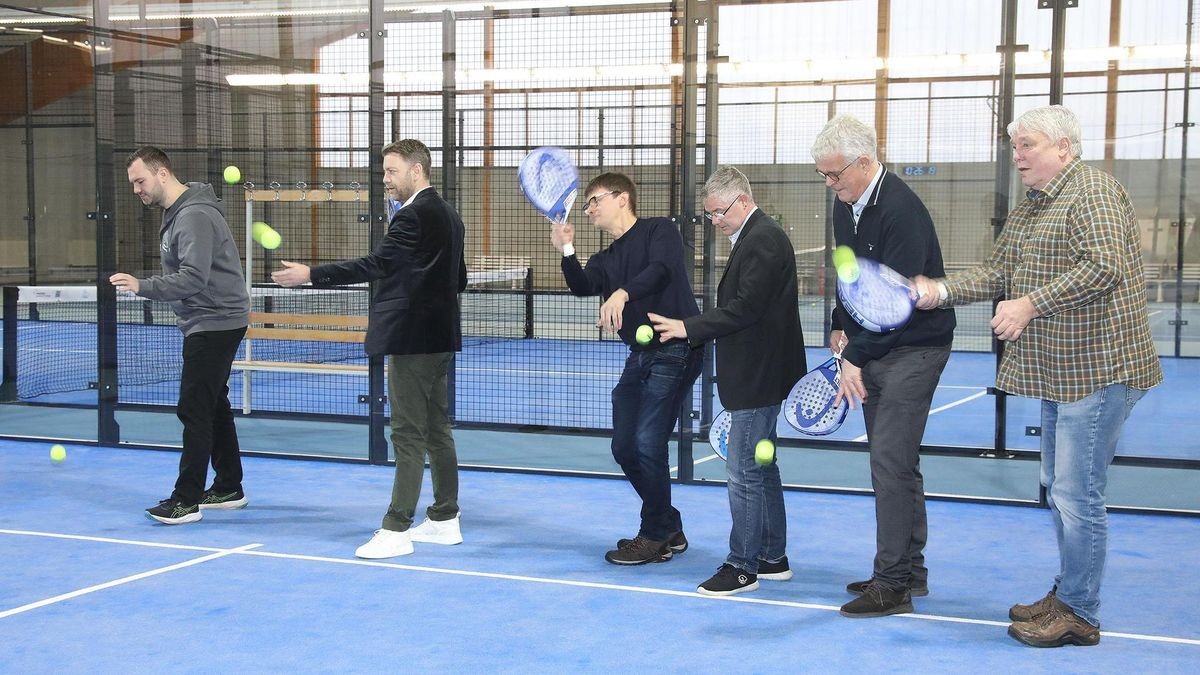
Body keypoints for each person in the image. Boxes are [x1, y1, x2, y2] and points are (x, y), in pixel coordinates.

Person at [913, 105, 1163, 647]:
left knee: (1077, 494)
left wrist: (1029, 303)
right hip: (1062, 372)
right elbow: (1000, 271)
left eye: (1027, 144)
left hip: (1100, 370)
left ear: (1063, 149)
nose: (1017, 155)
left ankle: (1080, 610)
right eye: (1014, 145)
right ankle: (1071, 589)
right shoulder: (1034, 205)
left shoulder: (1093, 192)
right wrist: (940, 290)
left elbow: (1105, 266)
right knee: (1062, 488)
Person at [272, 139, 468, 559]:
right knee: (436, 429)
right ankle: (444, 519)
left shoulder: (413, 216)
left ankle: (396, 528)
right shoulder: (450, 216)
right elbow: (460, 278)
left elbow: (375, 264)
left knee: (407, 433)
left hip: (413, 339)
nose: (385, 180)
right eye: (384, 172)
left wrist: (311, 274)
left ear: (417, 171)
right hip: (440, 338)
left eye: (391, 171)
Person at [810, 115, 956, 617]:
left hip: (916, 346)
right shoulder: (844, 203)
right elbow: (848, 270)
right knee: (898, 463)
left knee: (889, 463)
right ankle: (909, 572)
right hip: (875, 344)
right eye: (824, 175)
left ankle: (892, 585)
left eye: (835, 175)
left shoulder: (901, 209)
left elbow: (898, 303)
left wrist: (853, 356)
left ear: (866, 161)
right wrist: (838, 322)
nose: (830, 184)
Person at [649, 165, 805, 596]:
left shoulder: (762, 240)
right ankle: (773, 558)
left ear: (742, 201)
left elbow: (745, 309)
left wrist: (687, 326)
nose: (713, 222)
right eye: (708, 216)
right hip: (761, 372)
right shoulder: (755, 237)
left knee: (743, 473)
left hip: (759, 376)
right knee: (762, 467)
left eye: (718, 213)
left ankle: (743, 566)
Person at [551, 172, 703, 565]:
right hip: (639, 355)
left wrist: (622, 292)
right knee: (624, 447)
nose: (590, 209)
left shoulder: (659, 231)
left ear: (622, 198)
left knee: (648, 443)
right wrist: (567, 250)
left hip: (676, 346)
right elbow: (583, 285)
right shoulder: (606, 258)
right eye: (586, 204)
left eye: (595, 200)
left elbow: (662, 270)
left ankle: (654, 537)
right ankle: (668, 523)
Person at [111, 145, 251, 525]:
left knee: (194, 408)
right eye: (132, 183)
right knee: (213, 403)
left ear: (160, 174)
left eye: (139, 181)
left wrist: (143, 286)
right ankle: (228, 486)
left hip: (215, 321)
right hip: (211, 319)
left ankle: (185, 500)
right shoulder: (179, 214)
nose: (136, 189)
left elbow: (193, 277)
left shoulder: (192, 216)